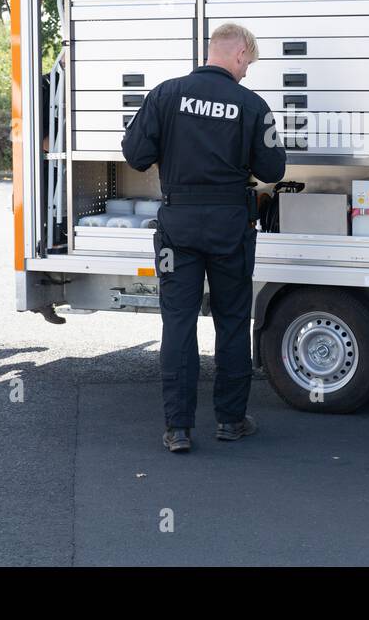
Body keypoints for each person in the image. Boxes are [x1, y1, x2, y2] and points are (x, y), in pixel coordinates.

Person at [122, 23, 286, 453]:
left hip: (179, 226)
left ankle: (178, 428)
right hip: (231, 226)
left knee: (178, 323)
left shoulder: (165, 94)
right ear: (237, 54)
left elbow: (135, 154)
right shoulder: (251, 105)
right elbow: (272, 170)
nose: (247, 71)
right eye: (247, 62)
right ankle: (231, 421)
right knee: (232, 322)